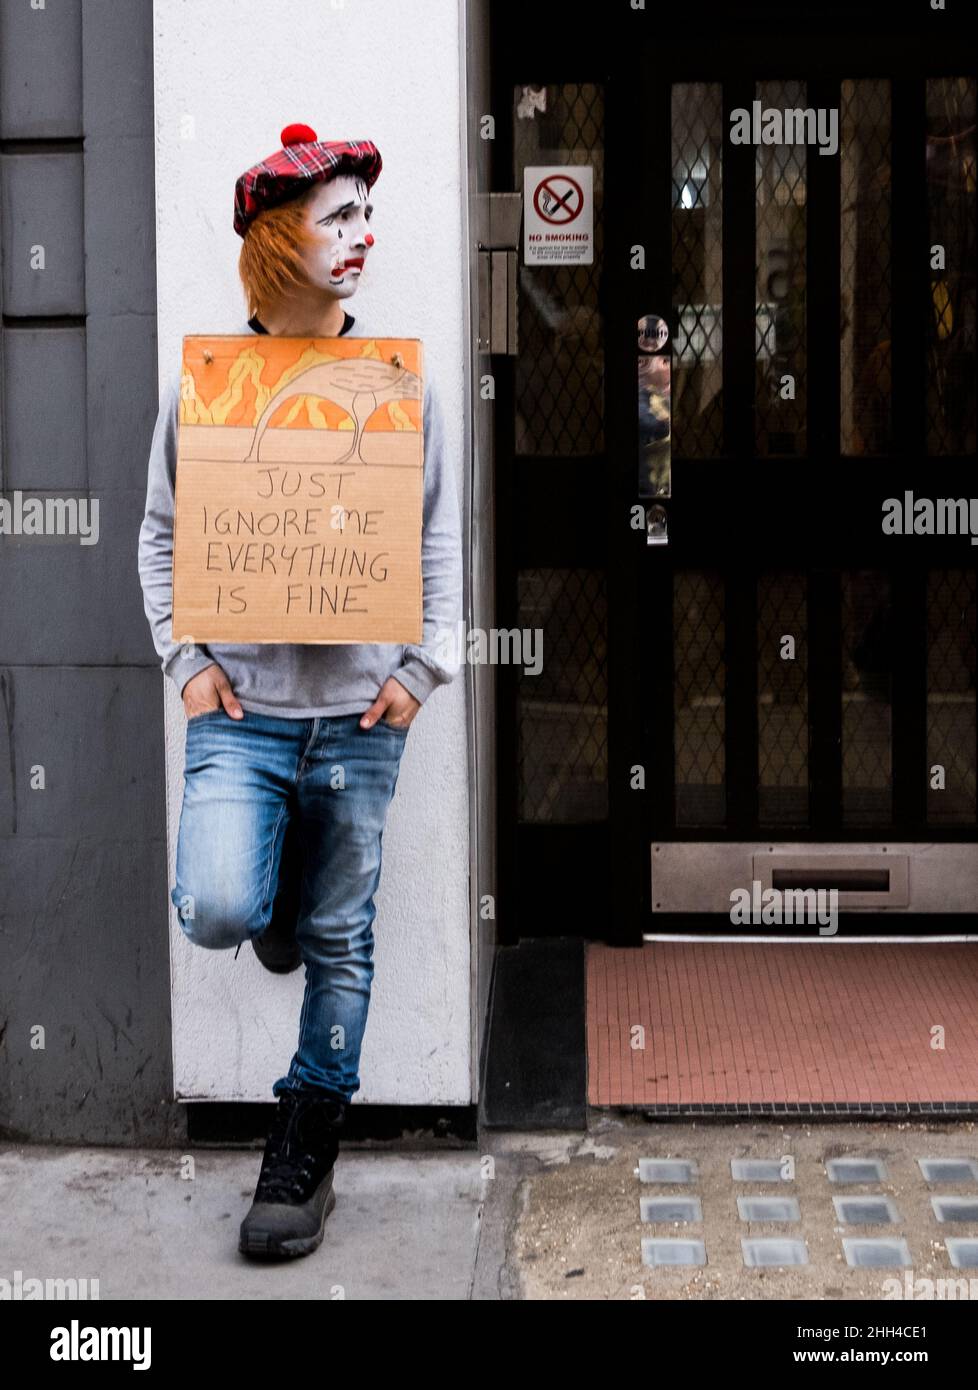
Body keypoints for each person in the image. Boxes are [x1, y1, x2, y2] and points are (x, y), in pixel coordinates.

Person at [137, 124, 463, 1259]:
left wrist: (426, 672)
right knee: (223, 905)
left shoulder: (400, 387)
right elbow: (160, 536)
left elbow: (437, 544)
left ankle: (305, 1139)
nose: (362, 238)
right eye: (338, 218)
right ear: (279, 241)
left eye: (366, 218)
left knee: (343, 935)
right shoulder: (211, 393)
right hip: (242, 713)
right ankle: (262, 900)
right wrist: (188, 663)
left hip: (363, 716)